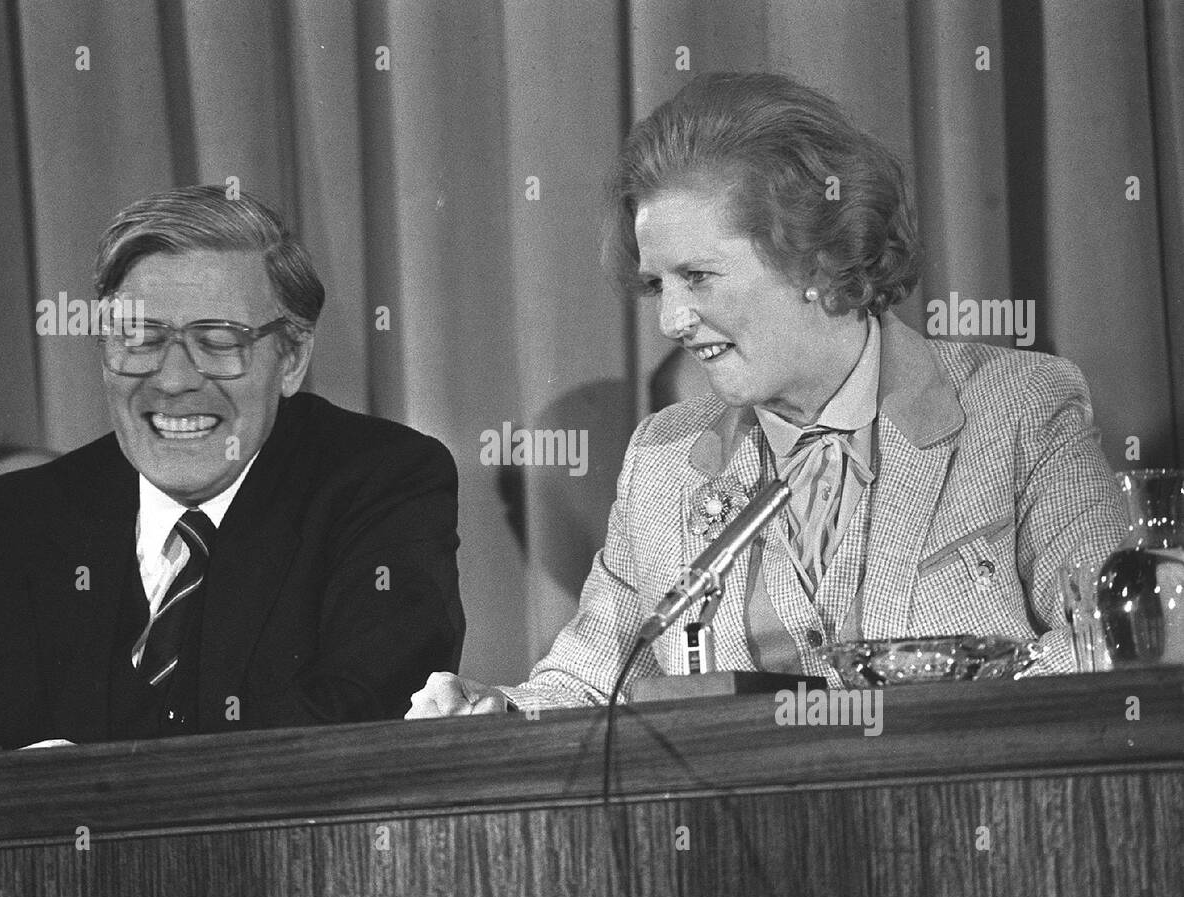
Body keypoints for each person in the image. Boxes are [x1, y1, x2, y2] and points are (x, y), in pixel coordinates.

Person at [406, 71, 1127, 718]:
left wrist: (934, 709)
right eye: (659, 285)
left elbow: (1116, 640)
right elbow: (587, 684)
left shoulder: (1020, 410)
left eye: (699, 276)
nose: (670, 320)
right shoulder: (665, 459)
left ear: (815, 251)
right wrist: (495, 708)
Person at [0, 185, 464, 747]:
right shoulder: (15, 519)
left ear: (293, 356)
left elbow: (363, 724)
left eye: (219, 341)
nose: (173, 380)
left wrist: (89, 788)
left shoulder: (382, 483)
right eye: (140, 338)